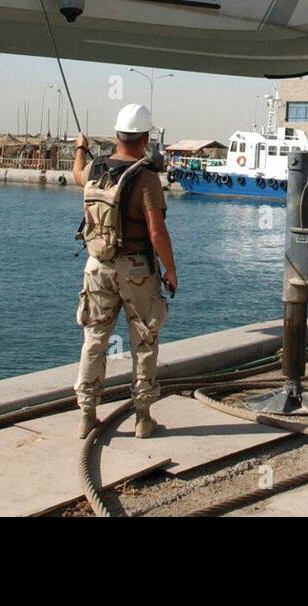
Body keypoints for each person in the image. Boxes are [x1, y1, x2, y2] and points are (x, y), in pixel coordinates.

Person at [71, 103, 179, 439]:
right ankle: (143, 418)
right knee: (144, 340)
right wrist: (170, 270)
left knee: (94, 339)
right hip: (135, 270)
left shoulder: (95, 169)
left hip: (97, 267)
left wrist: (80, 148)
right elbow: (156, 232)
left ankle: (87, 414)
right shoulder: (145, 178)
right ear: (146, 138)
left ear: (117, 135)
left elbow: (77, 175)